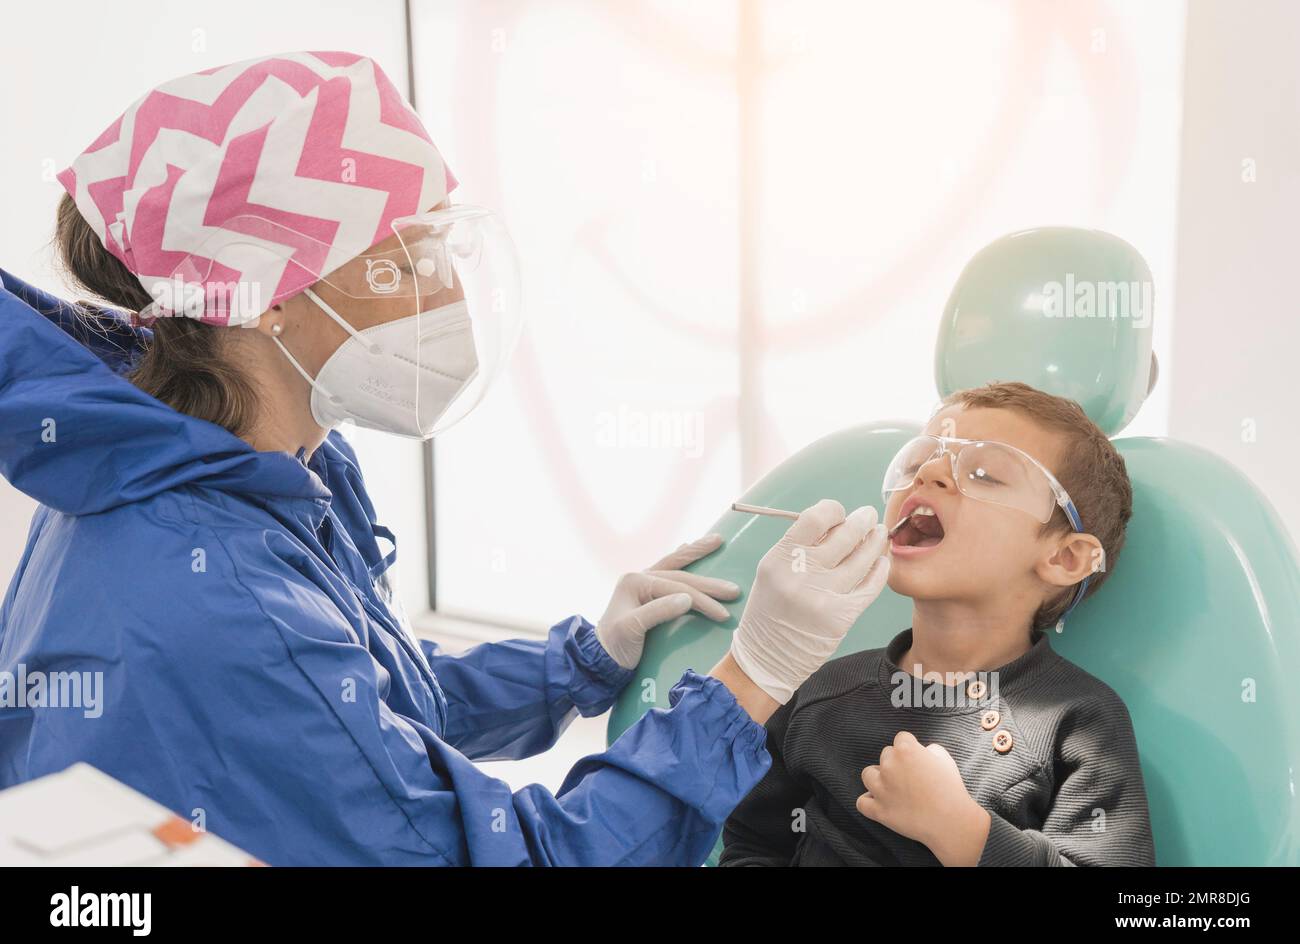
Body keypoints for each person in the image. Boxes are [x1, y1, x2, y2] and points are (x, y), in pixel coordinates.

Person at [0, 51, 890, 865]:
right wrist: (751, 679)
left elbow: (364, 716)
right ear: (264, 298)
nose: (453, 298)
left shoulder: (212, 467)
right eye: (409, 265)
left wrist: (582, 662)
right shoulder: (219, 592)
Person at [719, 383, 1155, 866]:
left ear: (1065, 558)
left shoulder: (1077, 721)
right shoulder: (823, 692)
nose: (928, 473)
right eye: (918, 461)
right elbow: (753, 844)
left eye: (985, 474)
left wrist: (964, 832)